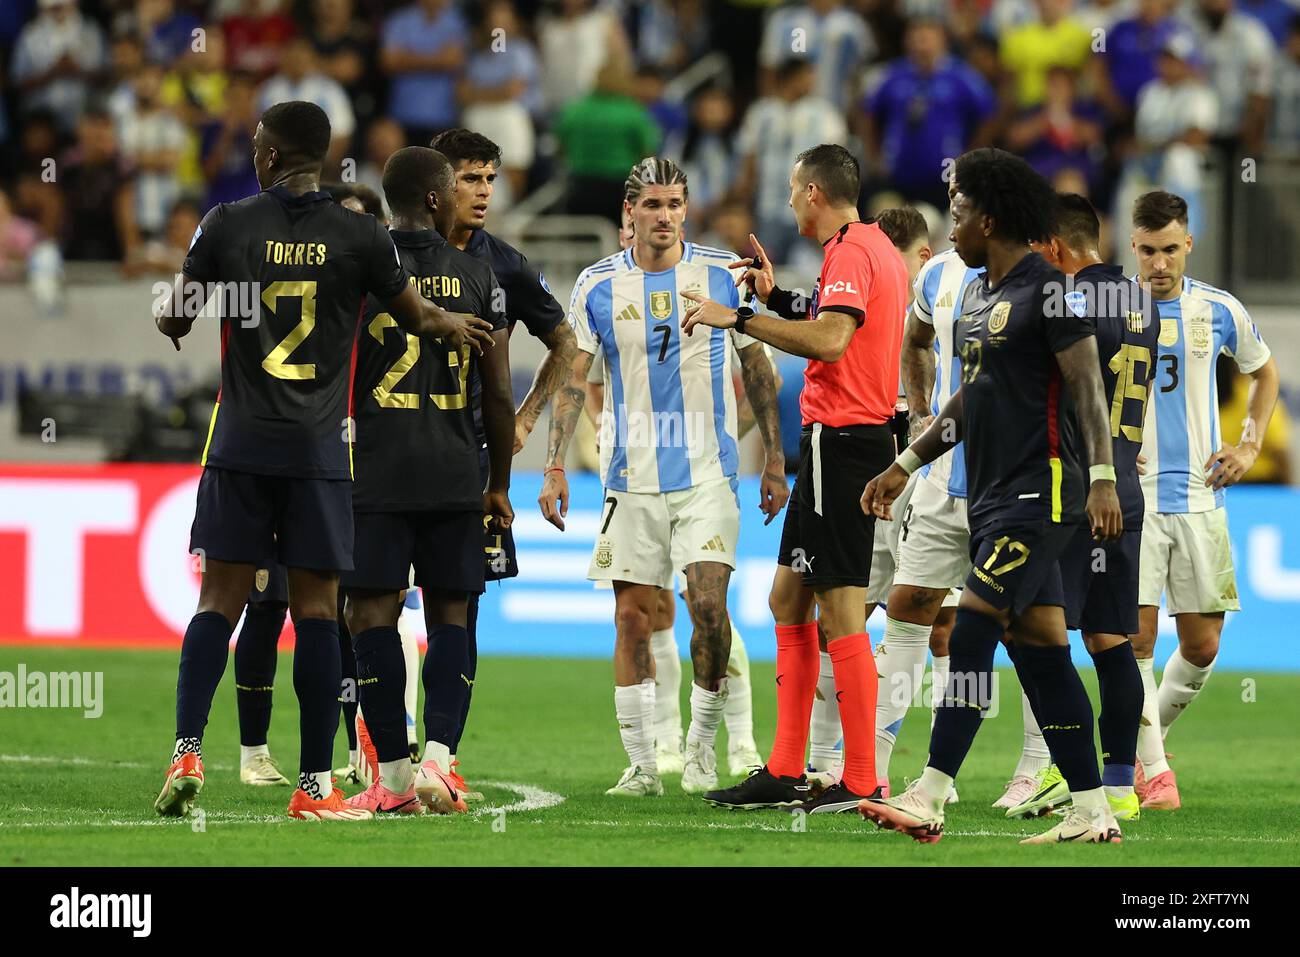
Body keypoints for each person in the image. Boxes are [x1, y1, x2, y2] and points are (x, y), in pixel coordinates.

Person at [151, 99, 493, 822]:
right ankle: (314, 786)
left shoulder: (227, 223)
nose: (251, 153)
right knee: (313, 611)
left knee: (220, 601)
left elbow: (176, 313)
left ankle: (187, 747)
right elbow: (415, 314)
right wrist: (454, 323)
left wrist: (178, 305)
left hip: (239, 443)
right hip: (318, 451)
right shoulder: (362, 234)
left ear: (271, 156)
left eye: (254, 143)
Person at [860, 147, 1125, 845]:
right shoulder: (977, 295)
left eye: (960, 214)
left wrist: (1101, 477)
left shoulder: (1049, 293)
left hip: (1045, 493)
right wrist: (908, 463)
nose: (951, 230)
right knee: (1039, 649)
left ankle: (931, 789)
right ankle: (1093, 807)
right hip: (989, 496)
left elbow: (1088, 386)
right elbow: (972, 399)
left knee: (973, 625)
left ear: (994, 217)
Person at [544, 156, 788, 796]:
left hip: (708, 474)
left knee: (708, 607)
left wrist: (775, 460)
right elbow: (575, 379)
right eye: (652, 205)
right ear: (630, 212)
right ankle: (643, 765)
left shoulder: (720, 275)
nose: (664, 216)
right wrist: (553, 465)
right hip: (629, 479)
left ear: (686, 208)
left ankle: (703, 748)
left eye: (675, 204)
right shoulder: (597, 285)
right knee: (632, 619)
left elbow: (759, 370)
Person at [686, 143, 907, 813]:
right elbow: (839, 321)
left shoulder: (851, 250)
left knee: (840, 608)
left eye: (791, 189)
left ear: (813, 192)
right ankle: (784, 769)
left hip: (845, 445)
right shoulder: (869, 248)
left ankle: (860, 779)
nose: (786, 202)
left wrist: (743, 317)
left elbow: (833, 340)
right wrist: (776, 293)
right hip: (833, 446)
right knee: (789, 598)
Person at [341, 145, 512, 816]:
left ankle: (393, 779)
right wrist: (497, 483)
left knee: (371, 615)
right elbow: (498, 395)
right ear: (438, 199)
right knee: (450, 616)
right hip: (454, 469)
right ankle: (441, 763)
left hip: (376, 470)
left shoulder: (360, 269)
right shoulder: (478, 274)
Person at [428, 128, 578, 798]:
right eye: (471, 178)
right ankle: (370, 750)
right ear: (437, 182)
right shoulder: (394, 253)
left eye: (490, 179)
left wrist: (525, 416)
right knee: (364, 604)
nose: (485, 191)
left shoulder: (506, 265)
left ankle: (439, 757)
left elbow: (568, 342)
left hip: (467, 464)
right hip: (389, 456)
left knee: (459, 608)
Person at [1128, 189, 1279, 810]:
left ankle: (1143, 742)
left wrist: (1248, 444)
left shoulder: (1218, 309)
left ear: (1188, 244)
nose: (1158, 263)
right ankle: (1156, 775)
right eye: (1146, 251)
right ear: (1130, 247)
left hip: (1200, 497)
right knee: (1133, 642)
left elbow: (1264, 372)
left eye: (1168, 250)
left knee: (1202, 646)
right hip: (1131, 502)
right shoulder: (1107, 309)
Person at [1013, 191, 1159, 824]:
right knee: (1110, 639)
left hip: (1076, 487)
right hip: (1125, 485)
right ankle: (1121, 783)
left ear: (1054, 248)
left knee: (1035, 631)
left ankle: (1059, 771)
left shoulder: (1066, 303)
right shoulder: (1145, 303)